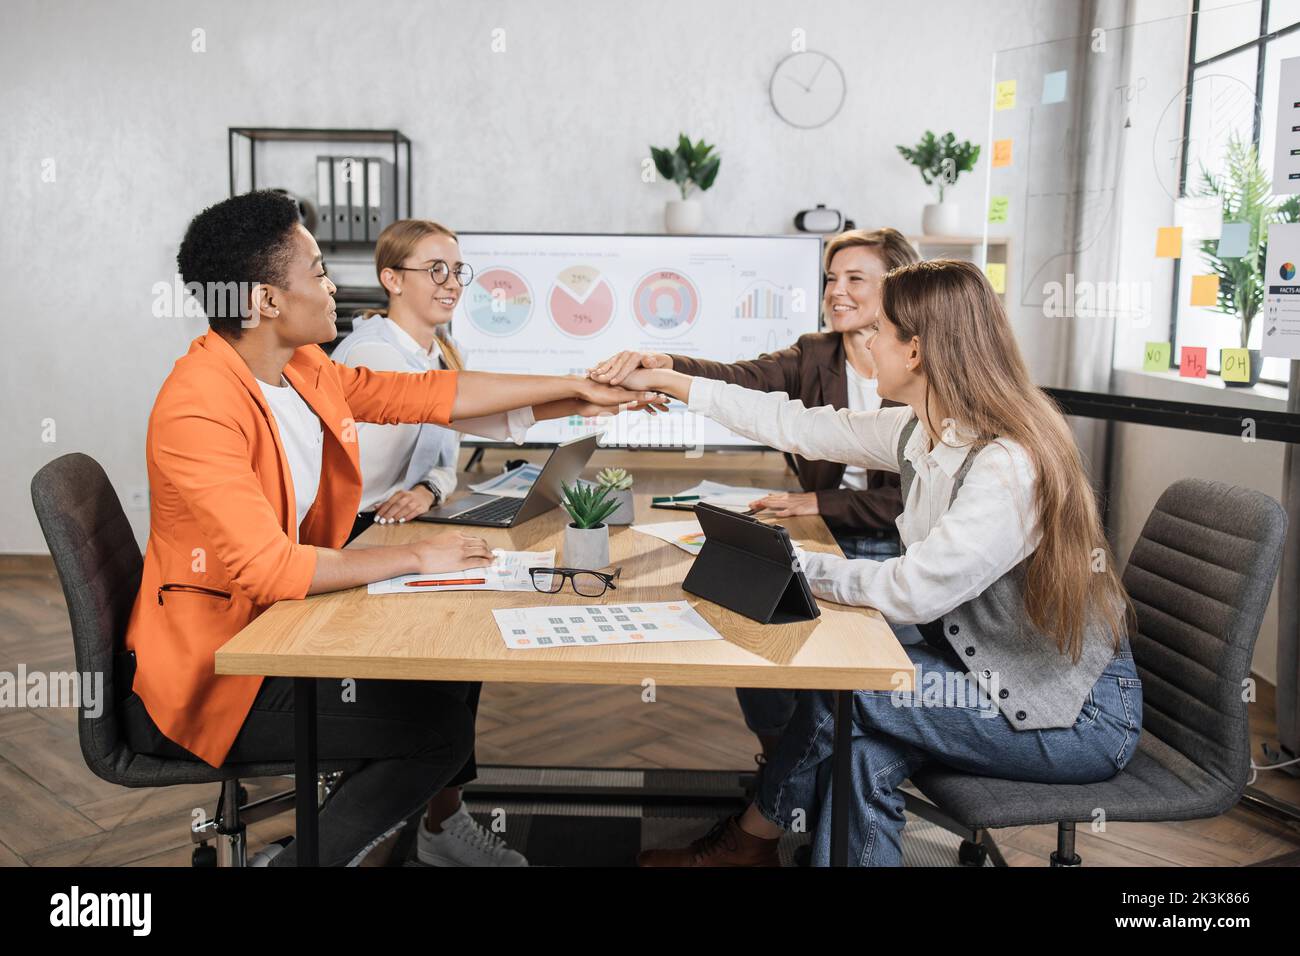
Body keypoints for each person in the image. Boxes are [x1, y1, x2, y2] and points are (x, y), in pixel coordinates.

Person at [120, 190, 661, 867]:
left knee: (443, 680)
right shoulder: (197, 407)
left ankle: (406, 833)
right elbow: (269, 568)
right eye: (316, 271)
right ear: (264, 301)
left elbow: (429, 397)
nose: (332, 286)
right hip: (221, 672)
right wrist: (417, 557)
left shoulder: (300, 366)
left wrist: (577, 390)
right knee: (437, 734)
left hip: (279, 632)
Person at [594, 259, 1142, 867]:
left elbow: (913, 594)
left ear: (916, 351)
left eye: (877, 329)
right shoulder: (923, 430)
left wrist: (798, 565)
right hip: (982, 676)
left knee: (844, 690)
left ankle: (746, 843)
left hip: (1070, 715)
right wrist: (675, 382)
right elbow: (795, 424)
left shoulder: (1006, 463)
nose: (864, 342)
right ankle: (752, 844)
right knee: (861, 751)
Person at [592, 228, 922, 764]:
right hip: (830, 538)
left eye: (855, 278)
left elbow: (917, 493)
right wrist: (666, 368)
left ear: (899, 287)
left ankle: (792, 790)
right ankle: (780, 765)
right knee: (750, 616)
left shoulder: (922, 372)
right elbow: (743, 380)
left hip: (893, 546)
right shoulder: (816, 353)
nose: (836, 290)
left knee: (822, 662)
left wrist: (822, 504)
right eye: (830, 278)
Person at [332, 218, 601, 865]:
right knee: (451, 664)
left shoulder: (438, 352)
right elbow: (426, 422)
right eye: (436, 270)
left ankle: (437, 819)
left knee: (469, 642)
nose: (452, 283)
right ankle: (422, 821)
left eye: (458, 270)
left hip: (404, 523)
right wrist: (572, 389)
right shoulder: (371, 353)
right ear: (391, 279)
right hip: (352, 541)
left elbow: (446, 453)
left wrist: (427, 489)